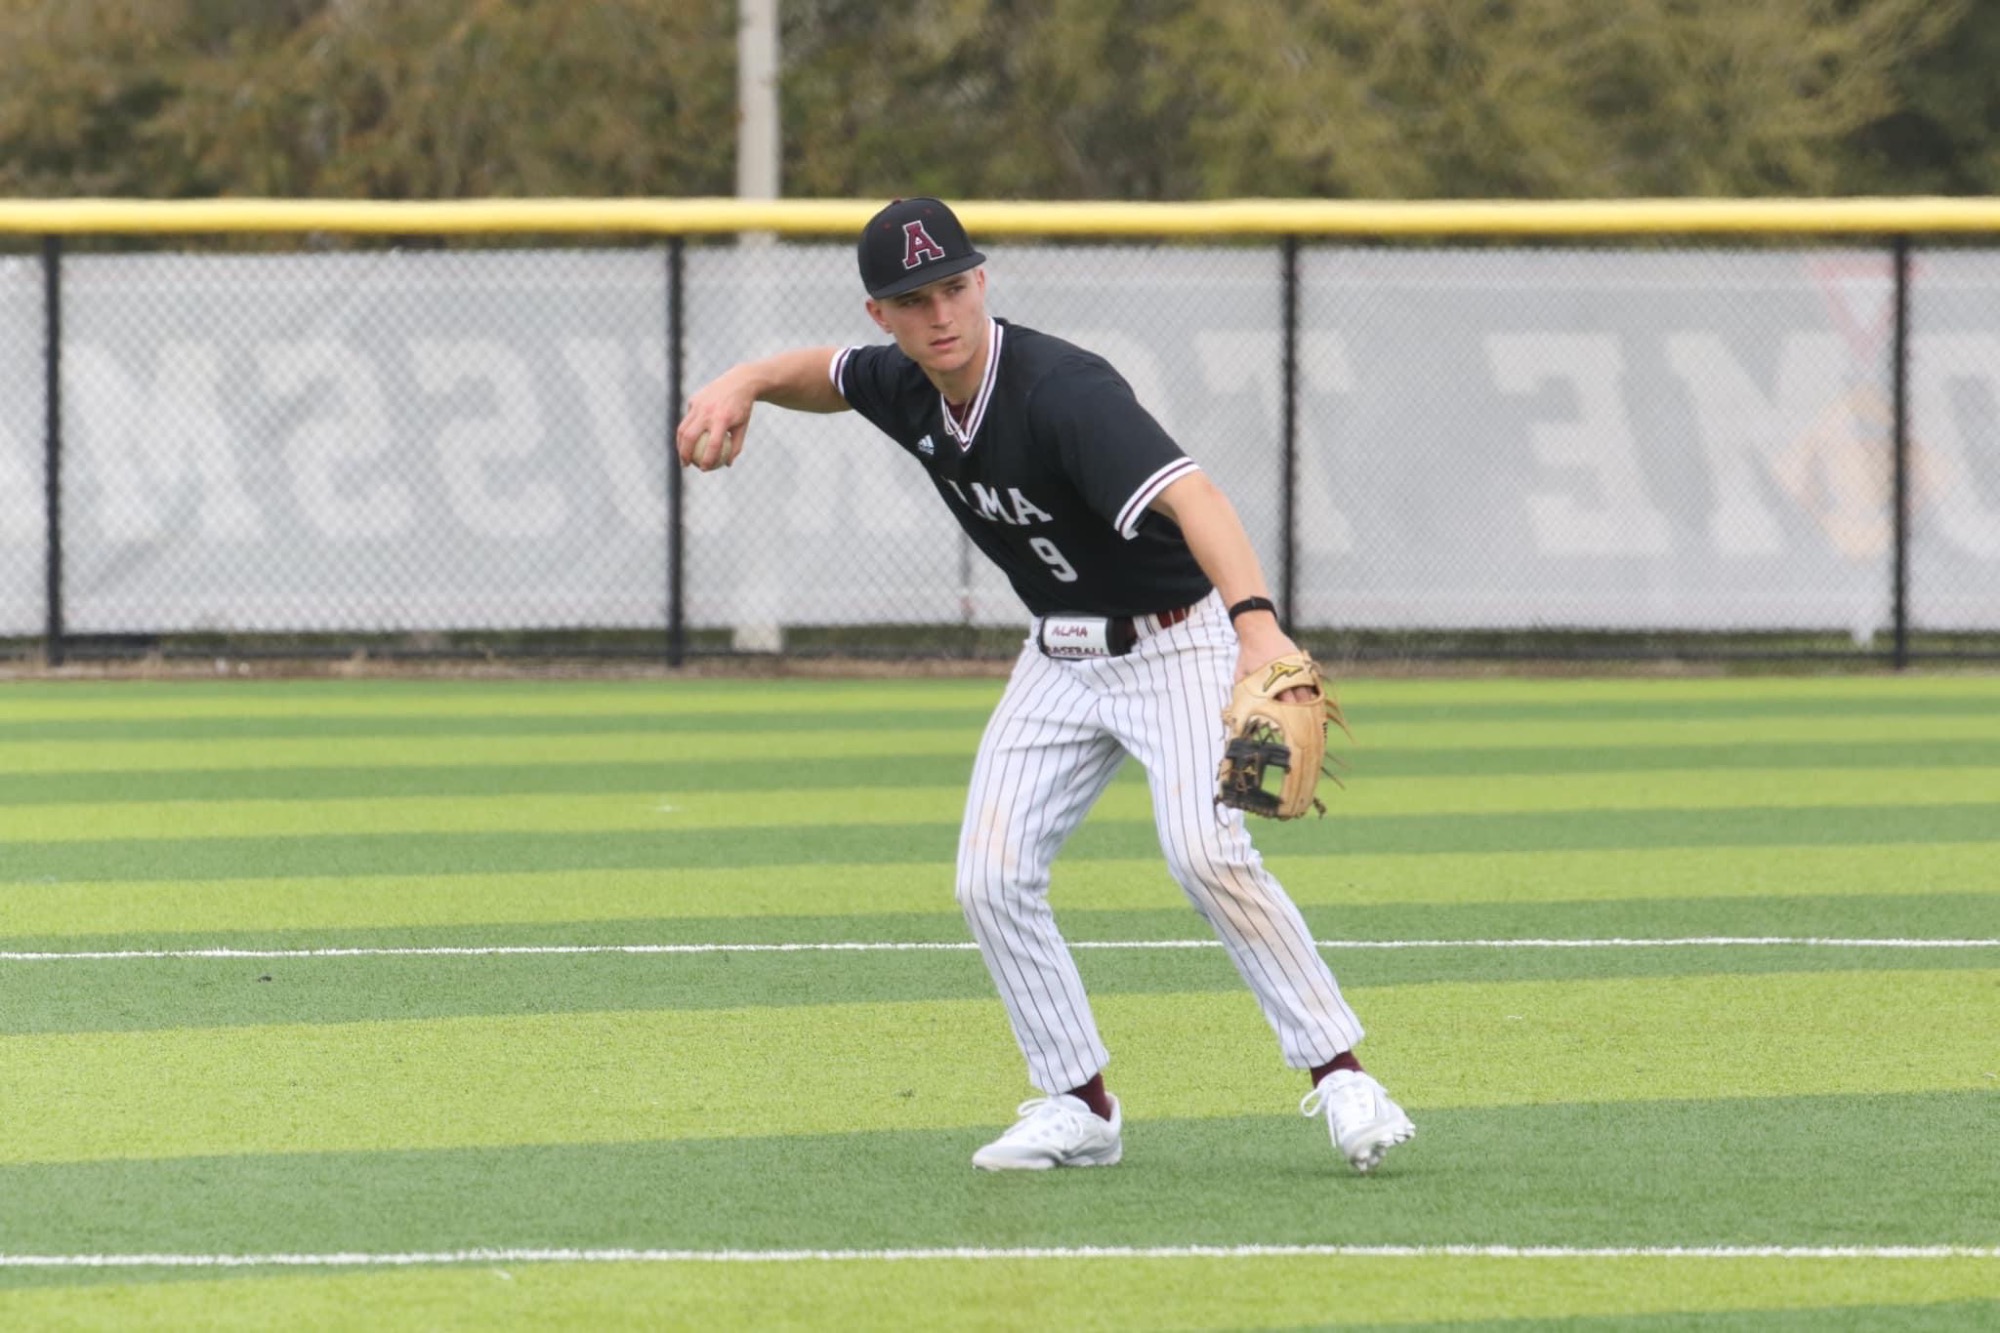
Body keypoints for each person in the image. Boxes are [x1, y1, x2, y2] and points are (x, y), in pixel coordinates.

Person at [675, 197, 1415, 1174]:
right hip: (1057, 657)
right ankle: (1078, 1102)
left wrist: (1256, 627)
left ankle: (1341, 1074)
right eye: (913, 299)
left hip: (1175, 642)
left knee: (1202, 850)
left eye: (953, 286)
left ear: (980, 282)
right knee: (988, 875)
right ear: (882, 316)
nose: (939, 314)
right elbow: (823, 376)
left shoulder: (1061, 390)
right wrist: (744, 383)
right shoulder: (901, 383)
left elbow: (1195, 496)